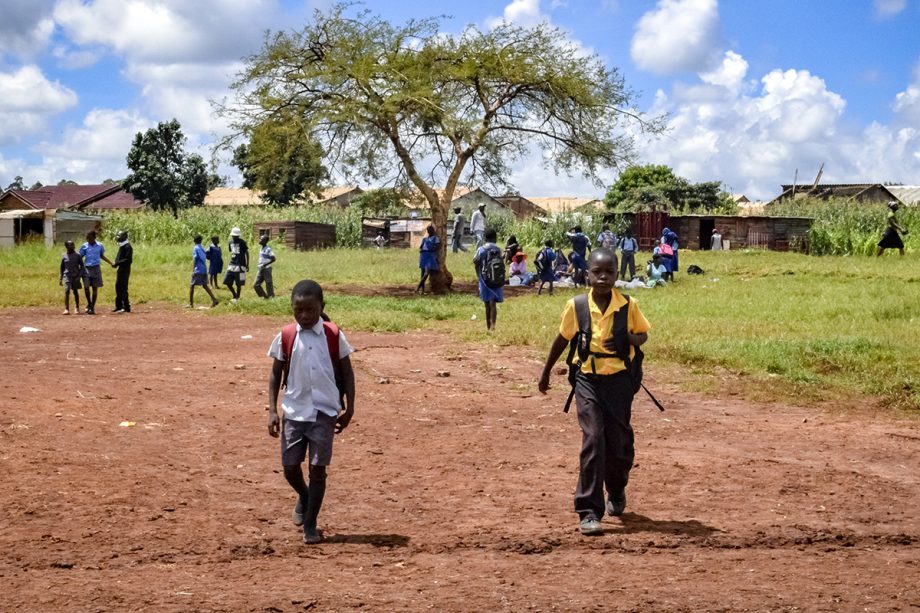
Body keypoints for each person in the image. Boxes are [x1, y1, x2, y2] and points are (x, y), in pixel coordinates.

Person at [538, 249, 650, 536]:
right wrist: (546, 370)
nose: (602, 277)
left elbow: (643, 335)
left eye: (609, 272)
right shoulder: (577, 306)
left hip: (620, 382)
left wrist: (627, 339)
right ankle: (589, 510)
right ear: (586, 273)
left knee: (619, 443)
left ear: (616, 274)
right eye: (596, 272)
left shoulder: (628, 305)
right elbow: (562, 339)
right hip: (587, 379)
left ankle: (617, 488)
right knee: (593, 440)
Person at [267, 280, 356, 545]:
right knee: (290, 467)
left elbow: (348, 372)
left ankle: (310, 523)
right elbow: (274, 375)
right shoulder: (285, 336)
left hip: (324, 411)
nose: (305, 316)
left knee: (318, 468)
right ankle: (304, 496)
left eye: (311, 310)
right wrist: (272, 410)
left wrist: (350, 407)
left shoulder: (333, 335)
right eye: (299, 310)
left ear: (322, 307)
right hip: (294, 411)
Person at [473, 228, 504, 331]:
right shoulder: (499, 250)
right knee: (493, 303)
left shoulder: (481, 249)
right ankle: (493, 326)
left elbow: (475, 261)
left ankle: (488, 326)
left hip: (484, 279)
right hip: (496, 279)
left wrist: (478, 275)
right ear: (495, 238)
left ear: (485, 238)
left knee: (487, 304)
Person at [78, 230, 113, 315]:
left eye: (89, 238)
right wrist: (77, 267)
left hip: (96, 268)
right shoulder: (84, 246)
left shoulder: (99, 245)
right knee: (86, 287)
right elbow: (80, 257)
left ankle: (92, 307)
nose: (88, 239)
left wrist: (111, 262)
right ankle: (89, 303)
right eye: (87, 238)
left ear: (94, 238)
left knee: (95, 288)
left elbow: (101, 256)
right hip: (87, 268)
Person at [188, 235, 219, 308]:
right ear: (201, 241)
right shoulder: (202, 247)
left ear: (194, 241)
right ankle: (214, 300)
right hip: (204, 269)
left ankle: (191, 304)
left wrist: (193, 270)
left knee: (192, 285)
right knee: (205, 285)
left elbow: (195, 259)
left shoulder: (195, 248)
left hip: (198, 270)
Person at [224, 227, 249, 301]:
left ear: (238, 236)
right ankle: (234, 294)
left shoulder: (242, 242)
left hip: (241, 265)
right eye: (233, 236)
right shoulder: (230, 242)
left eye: (236, 236)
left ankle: (238, 297)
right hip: (232, 264)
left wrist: (247, 264)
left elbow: (246, 253)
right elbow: (231, 252)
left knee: (239, 283)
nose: (234, 237)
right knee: (227, 281)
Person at [60, 240, 84, 315]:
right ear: (66, 246)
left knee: (75, 292)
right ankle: (66, 309)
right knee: (67, 291)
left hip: (75, 276)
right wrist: (61, 278)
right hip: (67, 276)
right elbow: (62, 267)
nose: (73, 246)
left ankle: (77, 307)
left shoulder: (78, 255)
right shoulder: (64, 256)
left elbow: (82, 266)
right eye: (70, 245)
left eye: (73, 245)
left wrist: (79, 276)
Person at [111, 230, 133, 313]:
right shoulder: (122, 246)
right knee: (118, 287)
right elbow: (118, 257)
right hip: (120, 269)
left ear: (125, 237)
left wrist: (117, 263)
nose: (118, 237)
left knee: (123, 288)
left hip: (125, 270)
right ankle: (118, 306)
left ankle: (126, 307)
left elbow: (128, 260)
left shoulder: (128, 247)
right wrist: (116, 263)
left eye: (120, 235)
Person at [417, 225, 440, 294]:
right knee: (422, 273)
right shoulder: (425, 239)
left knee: (426, 273)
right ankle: (422, 290)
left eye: (431, 230)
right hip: (424, 255)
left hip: (430, 255)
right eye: (429, 230)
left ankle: (417, 288)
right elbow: (421, 247)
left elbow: (437, 247)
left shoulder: (436, 238)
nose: (430, 231)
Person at [254, 234, 276, 299]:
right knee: (256, 285)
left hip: (266, 269)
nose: (260, 240)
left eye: (261, 239)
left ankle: (271, 297)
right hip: (261, 269)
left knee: (268, 283)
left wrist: (265, 265)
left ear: (265, 241)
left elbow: (273, 259)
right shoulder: (261, 248)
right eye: (260, 238)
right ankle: (264, 297)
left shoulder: (268, 249)